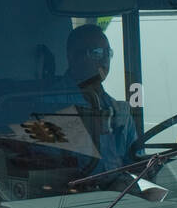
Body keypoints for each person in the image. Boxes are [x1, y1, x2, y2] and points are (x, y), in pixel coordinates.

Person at [39, 23, 140, 179]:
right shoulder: (50, 104)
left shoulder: (119, 110)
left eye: (108, 53)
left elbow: (135, 160)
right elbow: (48, 165)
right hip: (72, 196)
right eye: (97, 53)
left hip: (121, 195)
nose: (105, 60)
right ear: (72, 57)